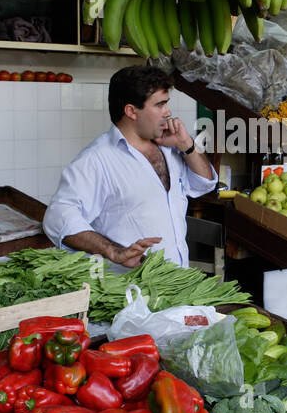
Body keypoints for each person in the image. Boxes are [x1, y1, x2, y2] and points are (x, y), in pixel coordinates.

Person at [43, 65, 218, 268]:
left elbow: (205, 183)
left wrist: (186, 144)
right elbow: (57, 216)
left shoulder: (170, 147)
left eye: (166, 104)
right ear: (131, 111)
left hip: (175, 283)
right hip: (130, 291)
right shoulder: (97, 159)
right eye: (160, 105)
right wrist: (112, 250)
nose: (168, 112)